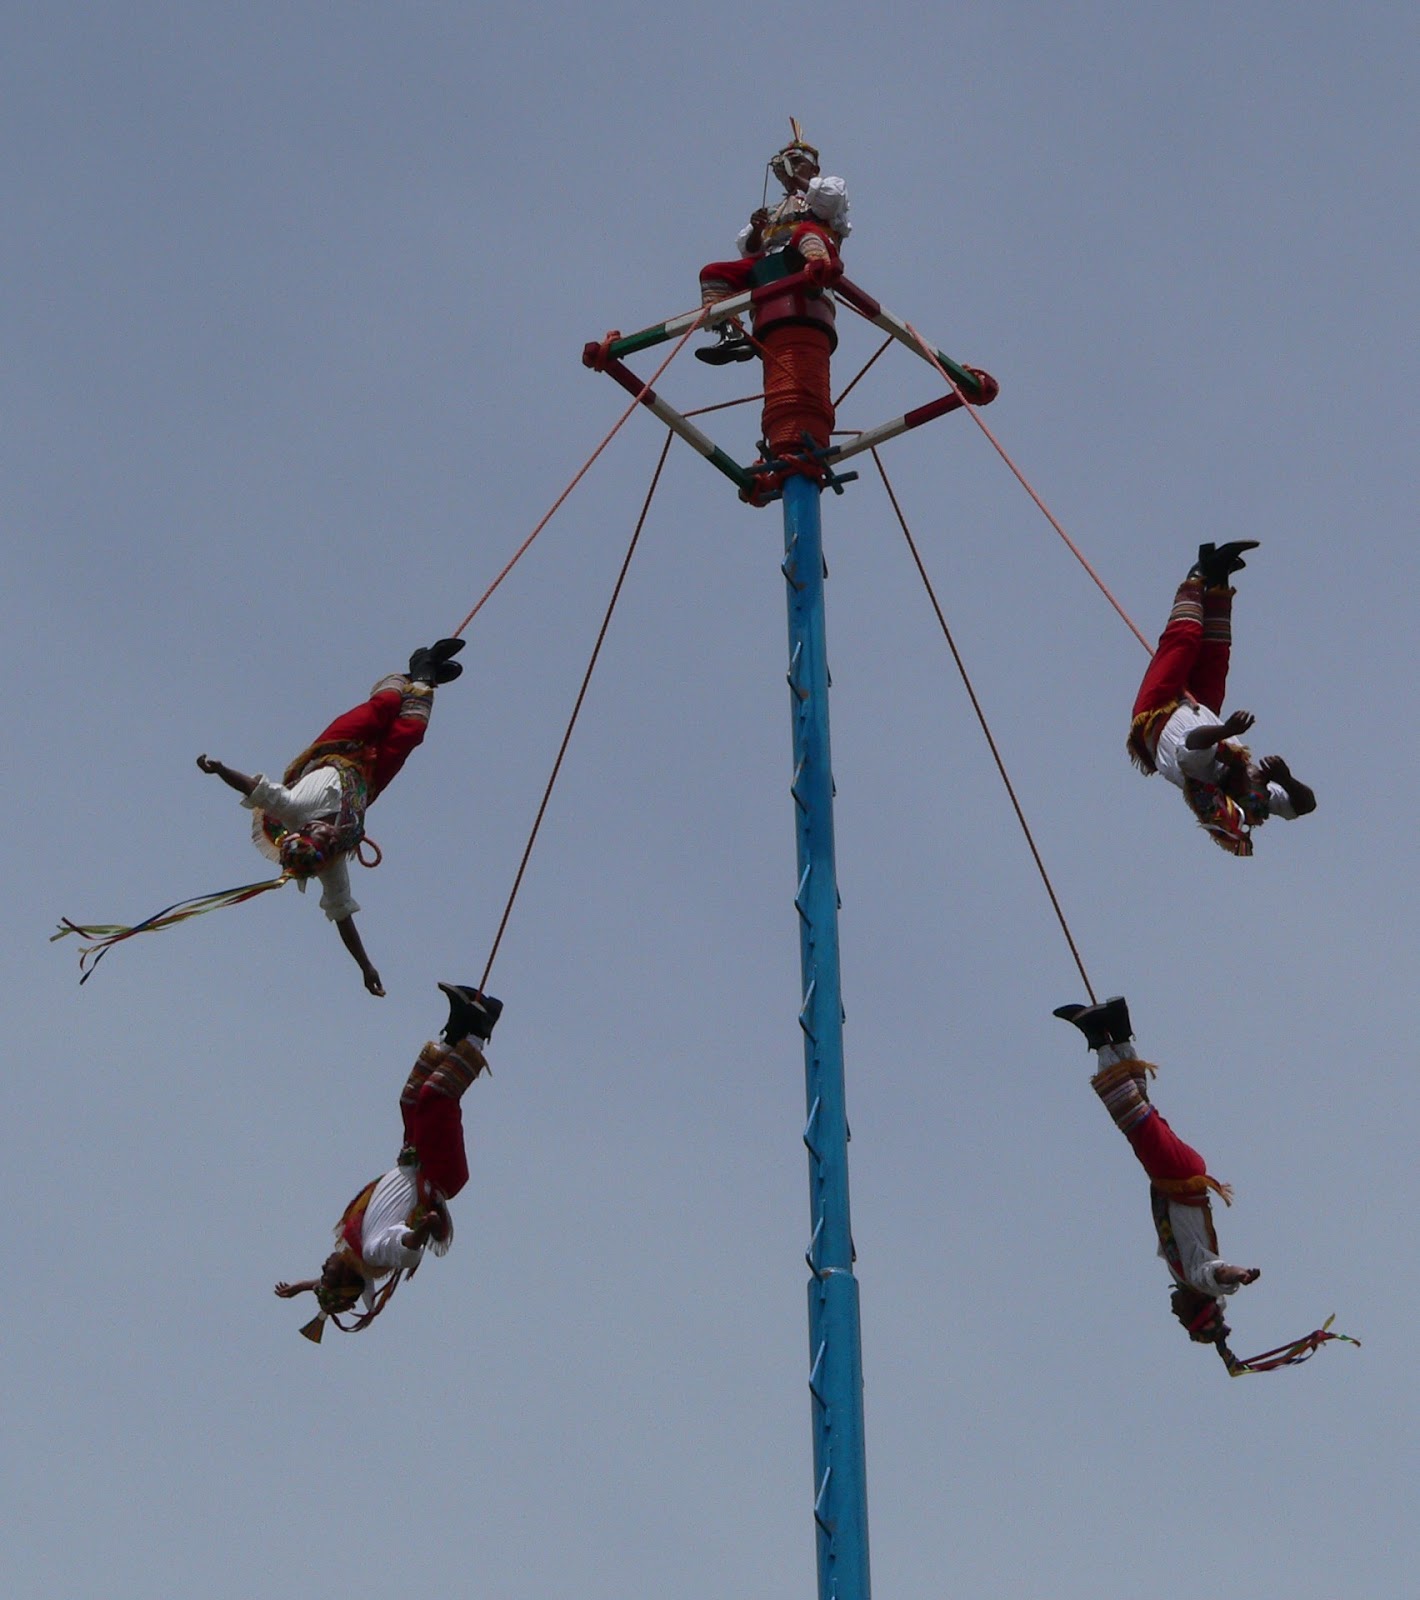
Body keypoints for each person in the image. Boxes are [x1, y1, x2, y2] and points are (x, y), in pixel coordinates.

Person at [195, 639, 465, 994]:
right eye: (328, 842)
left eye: (319, 833)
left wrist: (220, 769)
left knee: (384, 706)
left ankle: (413, 671)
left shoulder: (293, 809)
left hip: (333, 750)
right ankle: (425, 676)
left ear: (306, 830)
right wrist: (366, 966)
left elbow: (253, 788)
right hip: (367, 780)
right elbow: (341, 916)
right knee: (410, 733)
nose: (328, 834)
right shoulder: (331, 862)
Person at [275, 982, 502, 1342]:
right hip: (438, 1171)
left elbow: (334, 1278)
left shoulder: (355, 1253)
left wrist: (304, 1287)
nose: (323, 1267)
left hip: (416, 1158)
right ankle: (478, 1031)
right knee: (434, 1099)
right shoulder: (373, 1249)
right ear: (345, 1279)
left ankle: (457, 1029)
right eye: (327, 1277)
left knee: (410, 1100)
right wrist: (424, 1230)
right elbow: (405, 1250)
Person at [1053, 995, 1259, 1365]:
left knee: (1141, 1110)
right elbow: (1218, 1276)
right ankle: (1100, 1039)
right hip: (1177, 1175)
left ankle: (1117, 1028)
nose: (1173, 1313)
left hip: (1173, 1174)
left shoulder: (1183, 1275)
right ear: (1196, 1306)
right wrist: (1240, 1274)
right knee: (1129, 1114)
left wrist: (1223, 1349)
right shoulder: (1198, 1278)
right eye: (1182, 1317)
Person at [1127, 541, 1314, 855]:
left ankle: (1196, 580)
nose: (1259, 775)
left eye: (1254, 781)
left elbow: (1196, 741)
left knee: (1184, 642)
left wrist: (1228, 731)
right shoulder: (1259, 791)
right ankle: (1218, 581)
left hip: (1156, 711)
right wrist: (1287, 778)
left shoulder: (1204, 773)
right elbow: (1306, 805)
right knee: (1217, 655)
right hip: (1200, 706)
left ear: (1233, 789)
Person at [695, 123, 851, 366]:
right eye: (788, 165)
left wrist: (796, 179)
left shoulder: (829, 189)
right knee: (714, 273)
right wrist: (758, 230)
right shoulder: (774, 210)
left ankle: (816, 276)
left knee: (806, 231)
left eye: (798, 162)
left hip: (813, 258)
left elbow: (829, 202)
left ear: (814, 168)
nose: (792, 169)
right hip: (776, 266)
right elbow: (750, 249)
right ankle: (731, 332)